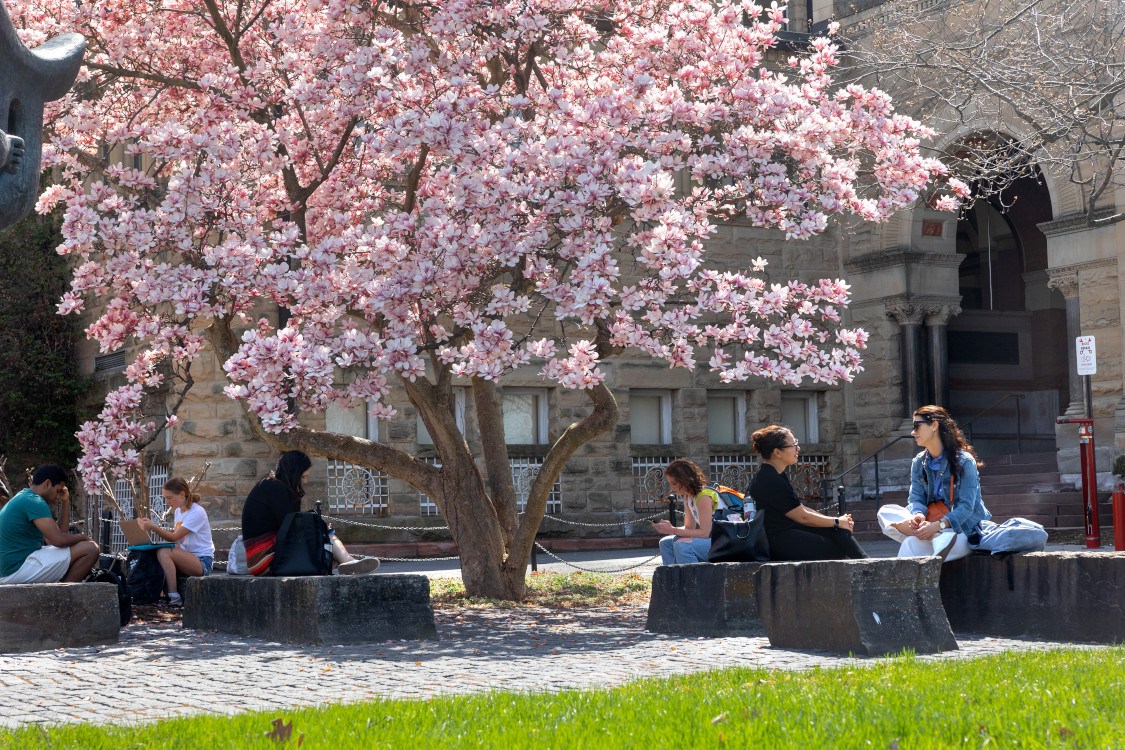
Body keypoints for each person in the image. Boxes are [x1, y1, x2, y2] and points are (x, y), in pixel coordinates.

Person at [878, 405, 991, 562]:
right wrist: (917, 515)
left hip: (963, 531)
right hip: (931, 527)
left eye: (917, 426)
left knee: (942, 542)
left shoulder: (964, 461)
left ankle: (935, 545)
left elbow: (966, 507)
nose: (913, 432)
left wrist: (939, 525)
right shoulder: (918, 462)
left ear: (934, 425)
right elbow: (916, 498)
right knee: (888, 516)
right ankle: (900, 586)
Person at [241, 451, 379, 576]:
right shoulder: (274, 487)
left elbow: (290, 524)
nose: (305, 481)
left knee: (323, 534)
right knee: (326, 536)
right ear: (294, 473)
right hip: (262, 557)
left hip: (260, 556)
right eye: (303, 477)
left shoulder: (272, 485)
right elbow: (292, 526)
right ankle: (348, 562)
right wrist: (321, 530)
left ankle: (346, 562)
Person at [748, 425, 868, 561]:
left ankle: (868, 563)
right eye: (793, 445)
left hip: (785, 532)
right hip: (776, 540)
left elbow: (800, 508)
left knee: (837, 530)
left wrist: (838, 523)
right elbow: (802, 517)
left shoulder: (775, 473)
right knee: (835, 549)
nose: (798, 448)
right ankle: (868, 566)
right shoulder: (770, 478)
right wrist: (836, 521)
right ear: (777, 452)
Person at [0, 465, 99, 584]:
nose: (58, 496)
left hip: (11, 568)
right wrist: (84, 537)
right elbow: (57, 541)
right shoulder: (34, 501)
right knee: (91, 548)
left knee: (80, 548)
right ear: (47, 484)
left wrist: (65, 501)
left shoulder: (24, 497)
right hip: (15, 569)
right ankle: (64, 596)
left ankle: (61, 591)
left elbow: (60, 535)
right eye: (58, 490)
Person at [136, 476, 214, 607]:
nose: (167, 502)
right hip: (187, 556)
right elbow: (177, 541)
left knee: (164, 552)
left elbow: (173, 537)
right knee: (156, 551)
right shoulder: (178, 511)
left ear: (182, 494)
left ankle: (174, 597)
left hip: (202, 562)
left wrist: (153, 527)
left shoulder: (197, 512)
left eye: (169, 497)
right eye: (165, 498)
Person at [652, 459, 718, 565]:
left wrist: (673, 530)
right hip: (711, 540)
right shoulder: (688, 496)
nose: (672, 488)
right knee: (666, 543)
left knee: (683, 546)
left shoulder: (704, 496)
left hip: (724, 542)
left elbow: (704, 533)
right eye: (670, 484)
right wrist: (667, 529)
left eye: (674, 483)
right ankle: (672, 578)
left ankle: (692, 580)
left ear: (685, 480)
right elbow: (689, 528)